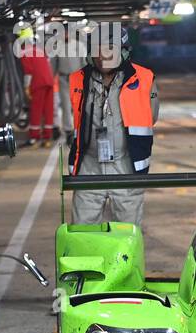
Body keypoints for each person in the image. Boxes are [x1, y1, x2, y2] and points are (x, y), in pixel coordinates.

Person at [68, 25, 159, 226]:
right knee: (82, 235)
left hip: (127, 166)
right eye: (98, 49)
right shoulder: (78, 80)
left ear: (123, 51)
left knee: (127, 236)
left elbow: (151, 117)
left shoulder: (144, 79)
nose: (103, 55)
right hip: (89, 167)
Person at [19, 26, 55, 147]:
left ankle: (34, 137)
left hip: (38, 83)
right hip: (49, 81)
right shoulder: (39, 50)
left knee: (36, 110)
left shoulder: (24, 52)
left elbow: (28, 71)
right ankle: (47, 138)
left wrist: (26, 87)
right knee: (48, 109)